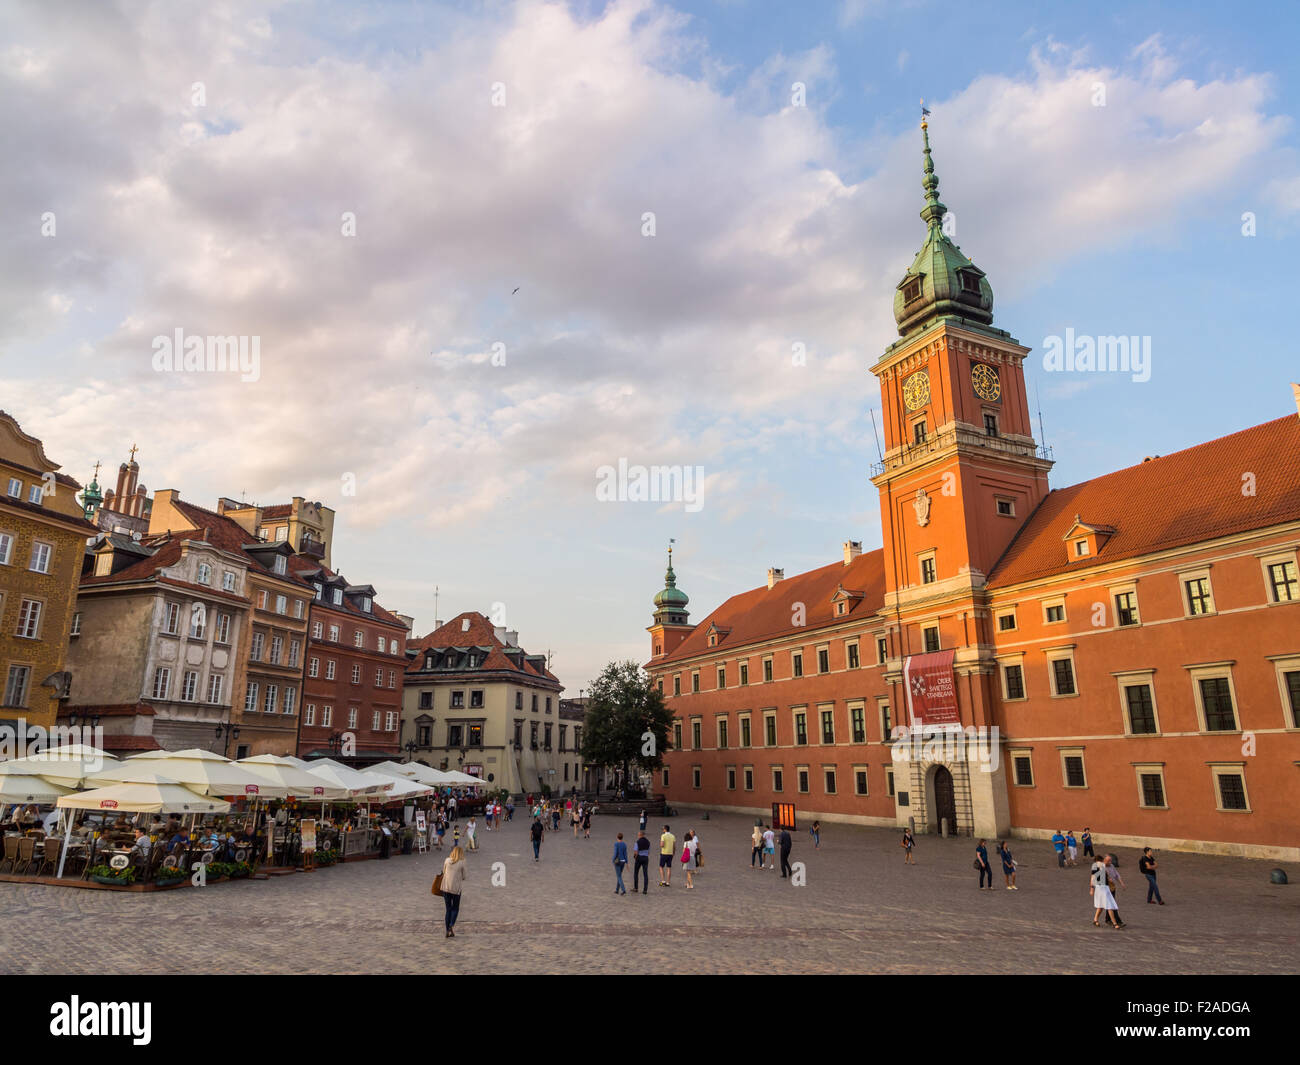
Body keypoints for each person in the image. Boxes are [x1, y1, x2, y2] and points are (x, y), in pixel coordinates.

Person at [440, 845, 466, 938]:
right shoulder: (462, 862)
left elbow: (443, 871)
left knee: (448, 909)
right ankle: (451, 926)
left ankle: (448, 930)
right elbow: (464, 876)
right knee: (455, 908)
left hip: (446, 888)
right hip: (456, 889)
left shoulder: (447, 860)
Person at [1092, 855, 1123, 929]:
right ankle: (1115, 923)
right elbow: (1093, 878)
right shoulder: (1095, 867)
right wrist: (1092, 888)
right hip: (1100, 889)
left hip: (1106, 888)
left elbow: (1108, 877)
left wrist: (1110, 880)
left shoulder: (1103, 867)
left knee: (1101, 906)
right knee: (1109, 906)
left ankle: (1095, 919)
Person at [1104, 855, 1126, 927]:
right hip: (1106, 889)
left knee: (1109, 905)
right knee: (1113, 905)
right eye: (1108, 861)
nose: (1110, 862)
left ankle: (1107, 919)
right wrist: (1107, 879)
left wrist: (1121, 883)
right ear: (1104, 860)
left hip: (1112, 888)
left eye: (1110, 860)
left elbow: (1117, 875)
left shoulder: (1111, 866)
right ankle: (1118, 921)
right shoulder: (1101, 868)